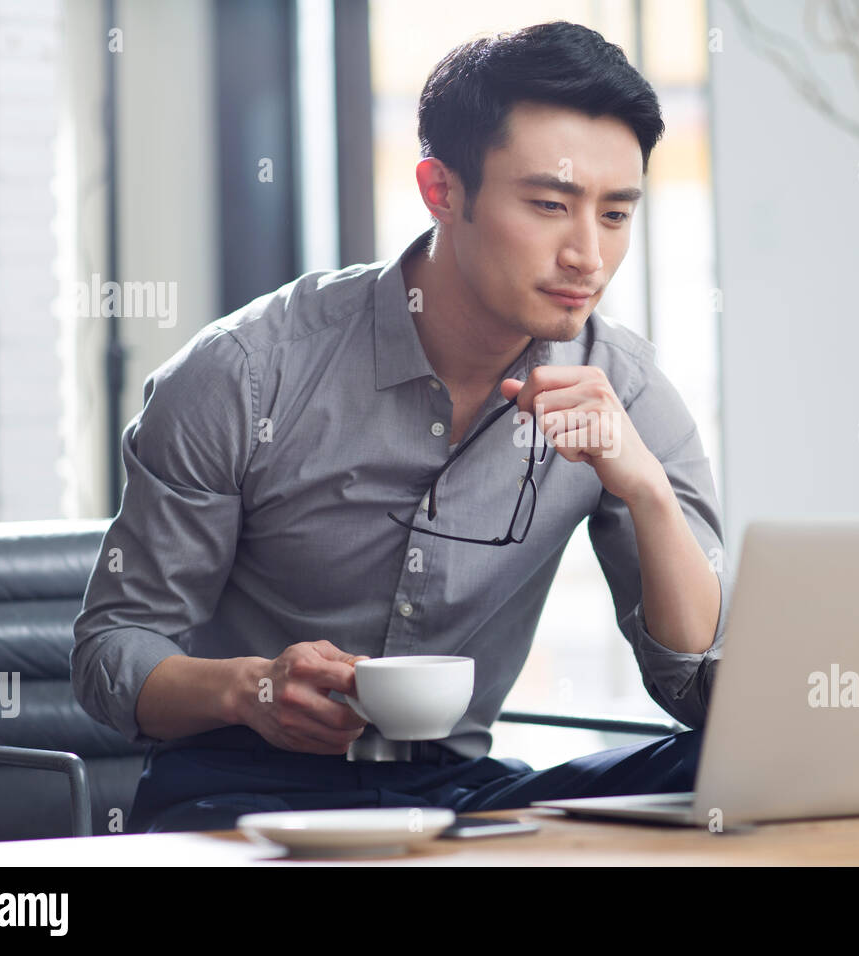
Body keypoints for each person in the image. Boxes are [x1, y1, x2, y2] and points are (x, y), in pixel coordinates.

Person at [70, 19, 729, 834]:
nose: (587, 255)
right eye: (551, 206)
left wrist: (648, 492)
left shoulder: (624, 390)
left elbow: (700, 688)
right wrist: (250, 689)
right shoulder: (244, 373)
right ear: (441, 190)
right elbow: (110, 652)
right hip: (239, 785)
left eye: (617, 215)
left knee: (731, 768)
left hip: (458, 792)